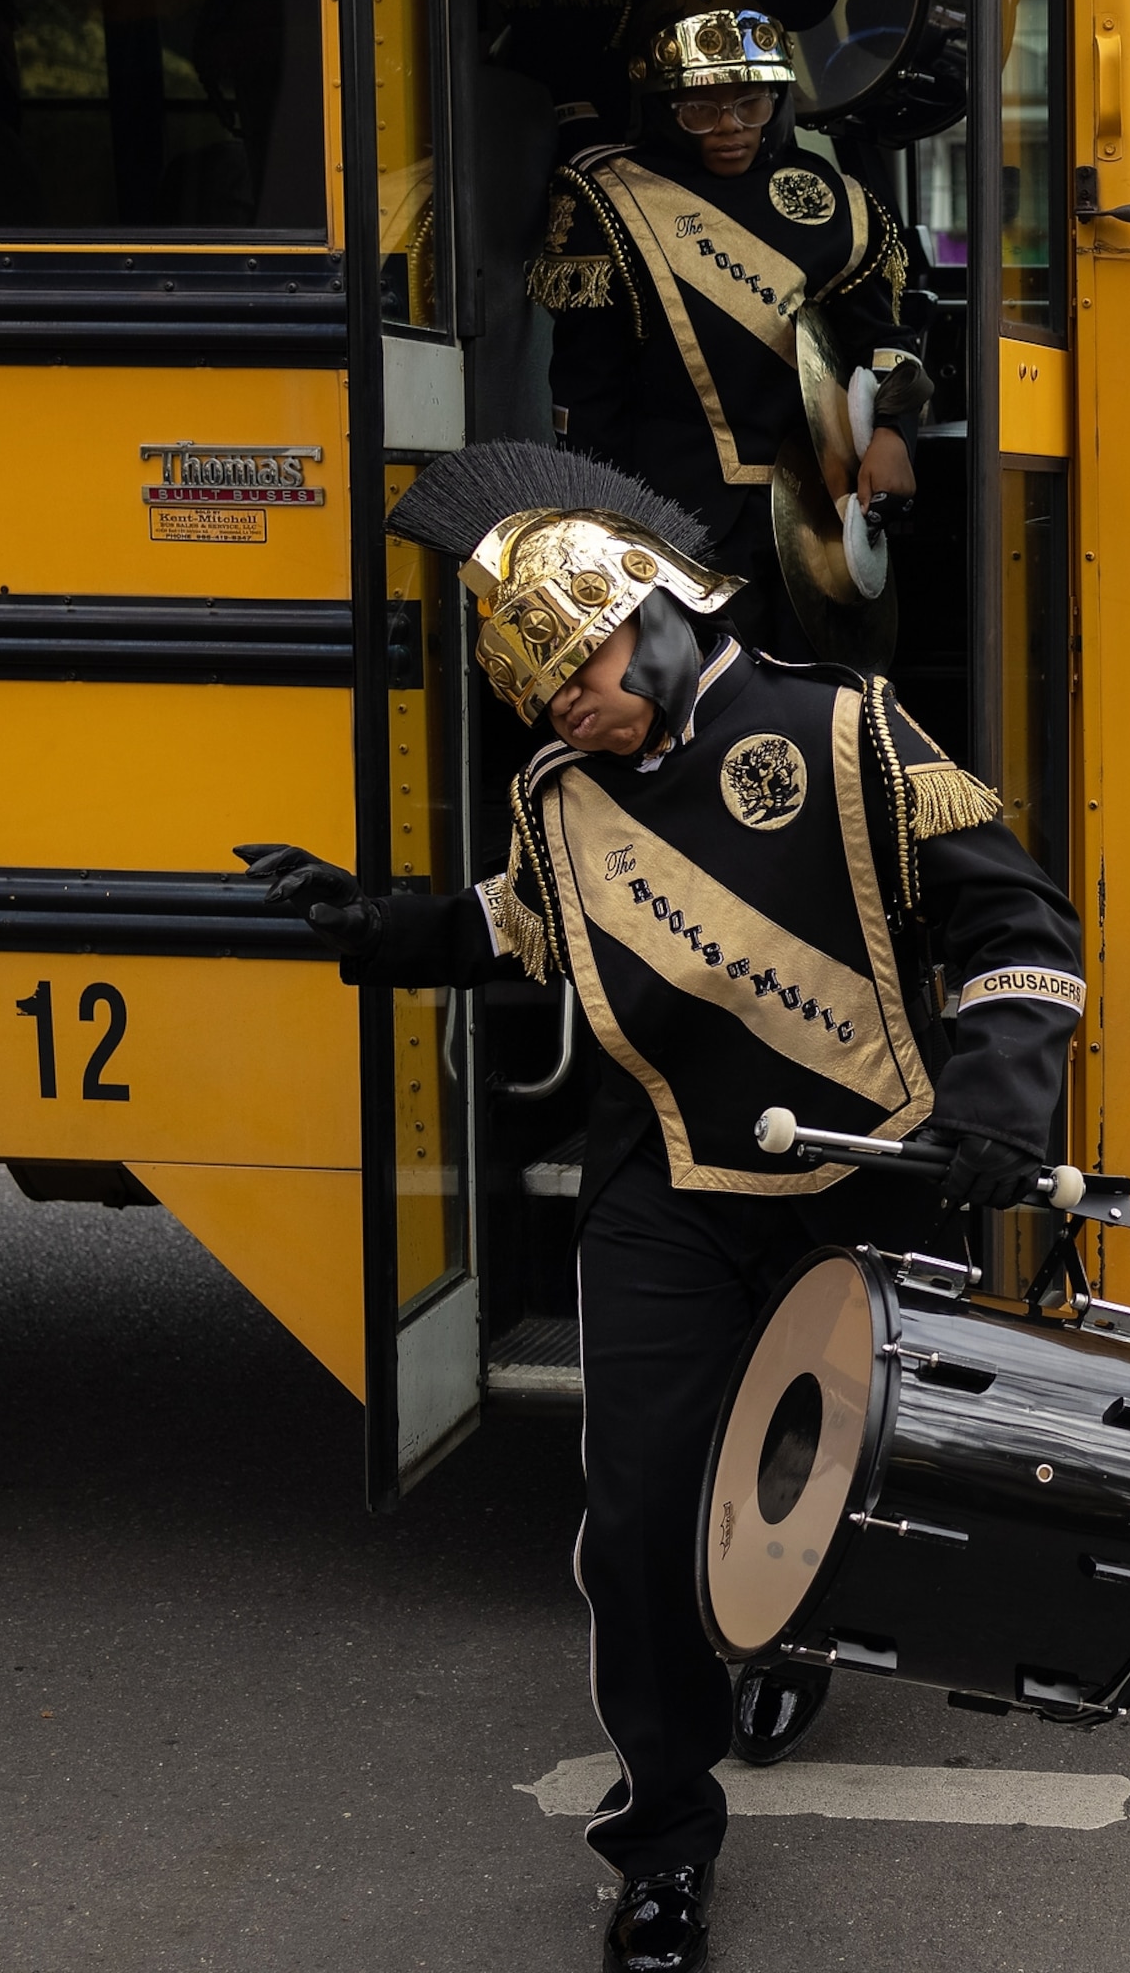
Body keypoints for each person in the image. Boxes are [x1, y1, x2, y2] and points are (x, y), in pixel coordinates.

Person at [239, 444, 1083, 1973]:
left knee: (835, 1497)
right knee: (636, 1521)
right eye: (545, 691)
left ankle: (784, 1643)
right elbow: (525, 926)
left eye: (586, 667)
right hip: (672, 1180)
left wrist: (994, 1112)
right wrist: (387, 929)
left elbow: (1016, 919)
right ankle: (665, 1849)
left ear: (662, 610)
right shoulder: (560, 797)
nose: (570, 705)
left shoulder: (846, 730)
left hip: (867, 1174)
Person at [530, 0, 930, 671]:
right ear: (661, 106)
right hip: (669, 521)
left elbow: (886, 345)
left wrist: (894, 437)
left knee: (825, 704)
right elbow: (589, 398)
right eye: (700, 110)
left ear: (780, 98)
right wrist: (603, 536)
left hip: (829, 519)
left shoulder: (837, 202)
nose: (728, 130)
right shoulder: (608, 199)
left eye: (751, 105)